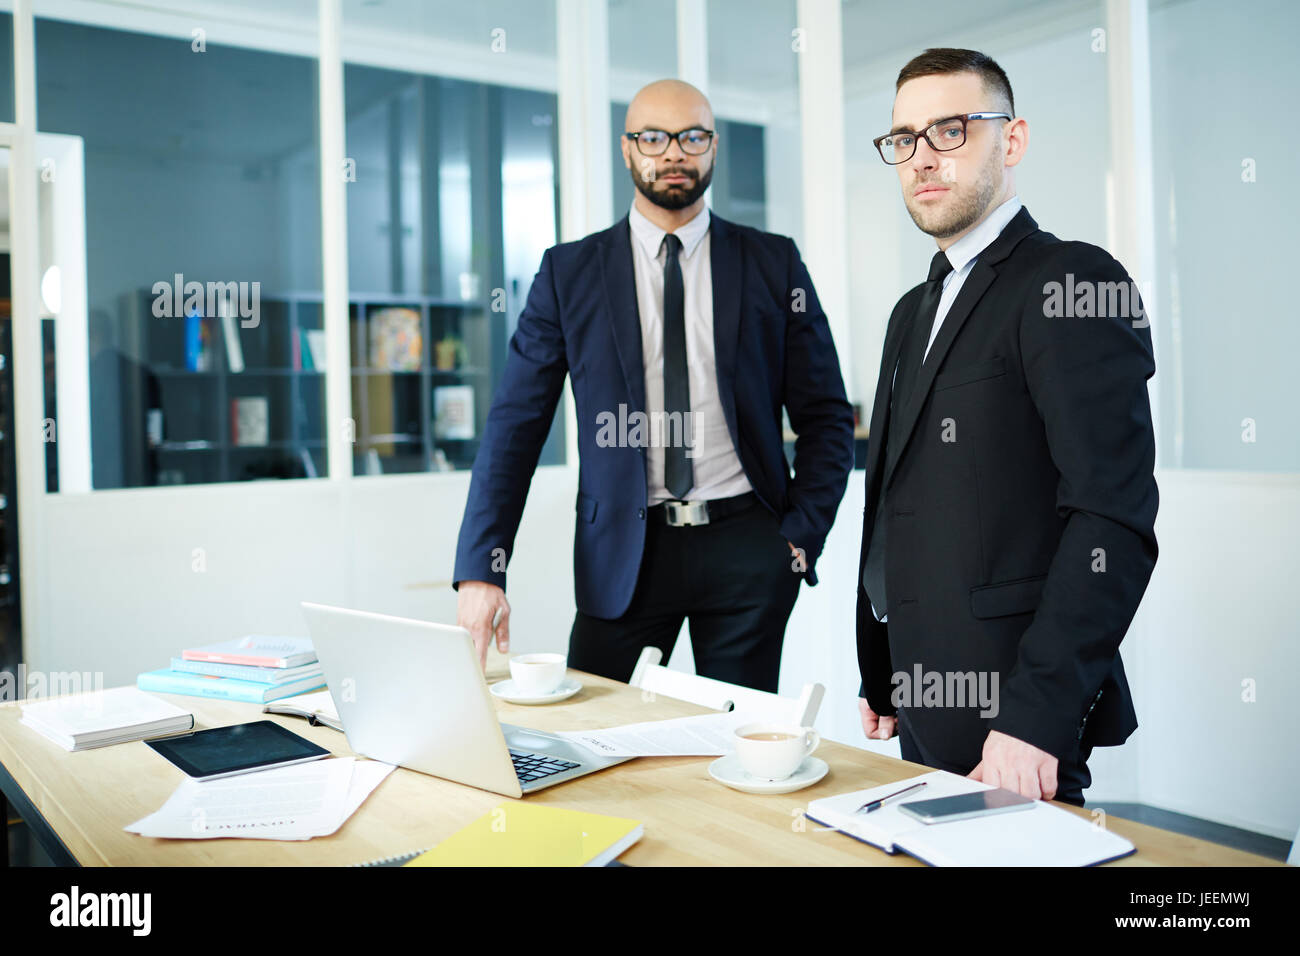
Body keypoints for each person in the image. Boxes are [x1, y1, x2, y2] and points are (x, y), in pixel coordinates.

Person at [455, 79, 855, 692]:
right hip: (622, 552)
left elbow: (828, 416)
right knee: (595, 742)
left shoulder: (773, 264)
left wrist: (801, 536)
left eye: (692, 137)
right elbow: (515, 427)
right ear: (628, 150)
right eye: (654, 138)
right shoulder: (569, 273)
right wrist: (483, 569)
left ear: (713, 146)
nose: (673, 153)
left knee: (740, 749)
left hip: (748, 546)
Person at [855, 49, 1158, 805]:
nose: (922, 159)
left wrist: (1036, 715)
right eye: (904, 139)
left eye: (951, 131)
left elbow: (1112, 520)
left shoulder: (1072, 281)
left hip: (1013, 712)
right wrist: (882, 667)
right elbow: (898, 499)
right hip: (922, 693)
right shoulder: (910, 311)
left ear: (1012, 140)